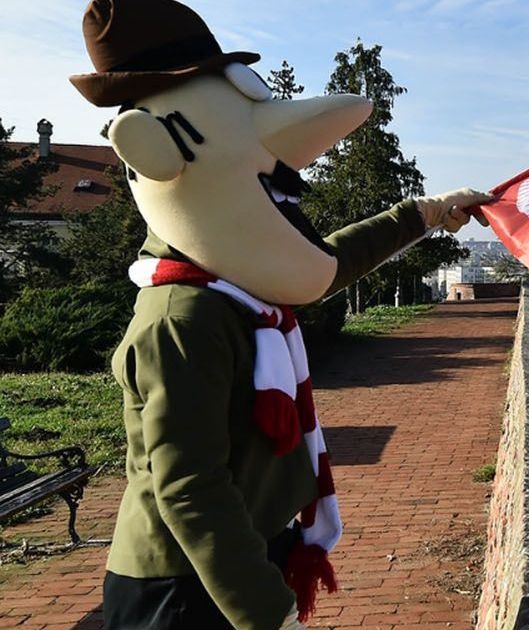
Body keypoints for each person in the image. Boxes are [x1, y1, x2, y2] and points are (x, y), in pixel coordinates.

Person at [68, 1, 492, 627]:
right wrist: (267, 613)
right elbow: (188, 489)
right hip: (184, 586)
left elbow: (320, 264)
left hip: (244, 548)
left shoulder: (237, 285)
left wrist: (426, 214)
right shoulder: (181, 319)